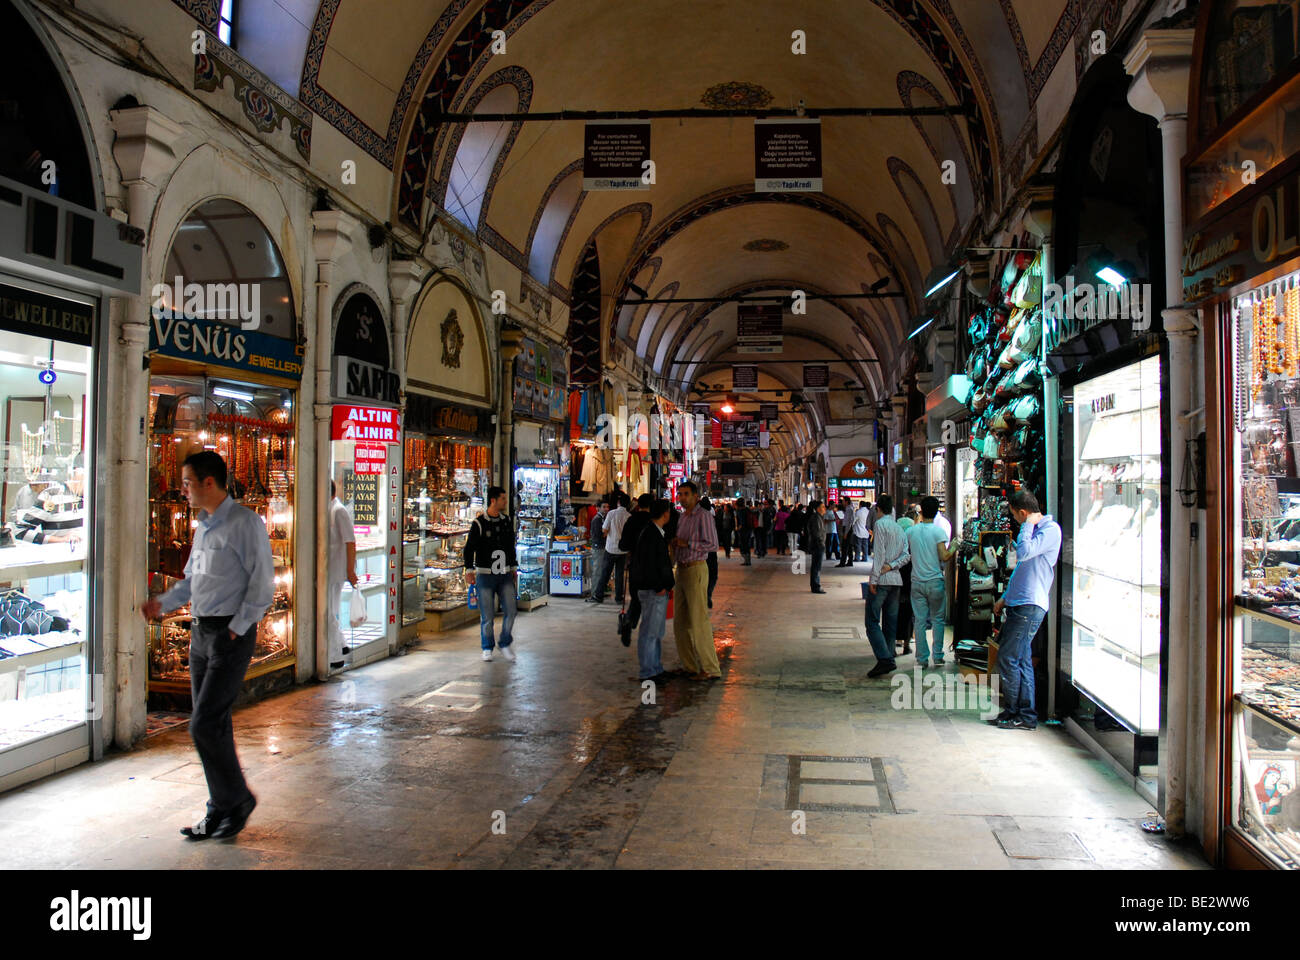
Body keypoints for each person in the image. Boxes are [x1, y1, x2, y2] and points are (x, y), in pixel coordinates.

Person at [140, 451, 272, 841]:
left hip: (228, 635)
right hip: (200, 633)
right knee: (213, 724)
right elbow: (191, 582)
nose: (182, 490)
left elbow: (263, 584)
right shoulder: (203, 527)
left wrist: (237, 627)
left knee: (201, 725)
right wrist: (161, 604)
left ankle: (237, 800)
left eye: (186, 483)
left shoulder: (244, 523)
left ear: (208, 483)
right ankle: (221, 809)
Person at [991, 489, 1062, 730]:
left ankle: (1017, 713)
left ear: (1023, 512)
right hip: (1020, 603)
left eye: (1016, 516)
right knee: (1020, 659)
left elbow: (1024, 552)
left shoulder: (1049, 531)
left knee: (1008, 657)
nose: (1015, 521)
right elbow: (1023, 571)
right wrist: (1005, 598)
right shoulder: (1037, 531)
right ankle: (1024, 714)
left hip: (1030, 606)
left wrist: (1028, 526)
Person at [671, 481, 721, 680]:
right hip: (681, 571)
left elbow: (713, 545)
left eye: (685, 494)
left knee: (699, 621)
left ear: (695, 496)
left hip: (696, 569)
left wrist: (687, 543)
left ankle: (711, 668)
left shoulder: (704, 516)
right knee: (680, 622)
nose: (682, 498)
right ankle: (689, 666)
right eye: (680, 494)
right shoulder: (683, 517)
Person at [464, 485, 518, 662]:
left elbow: (511, 546)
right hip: (485, 575)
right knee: (487, 615)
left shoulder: (506, 521)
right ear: (493, 500)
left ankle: (504, 642)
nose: (505, 501)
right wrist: (469, 570)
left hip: (504, 575)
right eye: (503, 499)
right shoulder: (479, 524)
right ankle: (487, 647)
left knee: (511, 610)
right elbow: (469, 548)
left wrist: (513, 567)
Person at [906, 496, 960, 668]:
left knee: (920, 621)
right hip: (935, 580)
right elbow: (944, 556)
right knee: (937, 619)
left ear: (921, 511)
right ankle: (937, 656)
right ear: (937, 512)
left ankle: (921, 659)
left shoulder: (911, 532)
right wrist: (954, 546)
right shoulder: (938, 532)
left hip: (917, 581)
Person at [630, 498, 676, 683]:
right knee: (650, 632)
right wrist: (659, 587)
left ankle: (656, 668)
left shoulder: (654, 532)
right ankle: (648, 671)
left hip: (654, 589)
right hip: (652, 590)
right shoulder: (651, 535)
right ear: (665, 514)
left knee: (655, 632)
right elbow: (650, 564)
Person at [864, 494, 910, 678]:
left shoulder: (880, 525)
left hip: (882, 581)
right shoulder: (899, 528)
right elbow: (906, 555)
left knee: (872, 621)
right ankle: (889, 653)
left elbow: (879, 554)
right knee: (890, 622)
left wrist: (874, 579)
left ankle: (885, 659)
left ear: (878, 509)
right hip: (896, 581)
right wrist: (892, 566)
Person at [326, 480, 358, 670]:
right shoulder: (330, 510)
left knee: (328, 611)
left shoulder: (338, 511)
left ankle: (335, 656)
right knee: (329, 610)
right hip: (330, 569)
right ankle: (342, 645)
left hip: (335, 570)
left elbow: (350, 541)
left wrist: (350, 571)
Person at [617, 494, 654, 645]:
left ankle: (629, 622)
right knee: (651, 602)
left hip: (635, 566)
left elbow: (623, 545)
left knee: (636, 597)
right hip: (652, 567)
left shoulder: (632, 520)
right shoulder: (654, 521)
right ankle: (647, 634)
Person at [588, 492, 629, 604]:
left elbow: (604, 530)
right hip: (623, 550)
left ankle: (599, 595)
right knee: (620, 574)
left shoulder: (611, 514)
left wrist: (609, 533)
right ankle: (619, 598)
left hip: (610, 548)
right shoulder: (628, 516)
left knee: (605, 573)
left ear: (618, 502)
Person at [588, 500, 610, 597]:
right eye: (604, 507)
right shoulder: (597, 519)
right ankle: (594, 593)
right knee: (597, 571)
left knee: (601, 571)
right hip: (598, 548)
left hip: (601, 547)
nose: (606, 509)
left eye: (607, 507)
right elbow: (598, 535)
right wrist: (606, 533)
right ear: (598, 508)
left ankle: (599, 591)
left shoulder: (603, 518)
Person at [804, 500, 827, 594]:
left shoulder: (819, 517)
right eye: (822, 507)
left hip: (818, 544)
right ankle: (815, 586)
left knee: (816, 566)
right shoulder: (816, 518)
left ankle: (815, 585)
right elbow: (817, 533)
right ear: (818, 509)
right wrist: (821, 543)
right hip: (817, 545)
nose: (824, 508)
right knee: (816, 566)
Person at [701, 497, 719, 608]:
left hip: (700, 553)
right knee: (712, 575)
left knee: (704, 576)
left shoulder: (693, 518)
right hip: (710, 552)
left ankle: (704, 595)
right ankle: (707, 594)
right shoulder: (711, 518)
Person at [836, 500, 855, 567]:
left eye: (844, 501)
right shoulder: (848, 509)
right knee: (849, 546)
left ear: (847, 502)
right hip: (848, 529)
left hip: (848, 529)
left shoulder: (849, 509)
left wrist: (846, 533)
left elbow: (849, 522)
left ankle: (843, 562)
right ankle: (850, 561)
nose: (843, 503)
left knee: (845, 546)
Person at [735, 499, 753, 565]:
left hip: (743, 530)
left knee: (743, 544)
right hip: (749, 529)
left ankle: (746, 560)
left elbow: (742, 521)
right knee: (747, 544)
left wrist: (738, 528)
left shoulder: (740, 511)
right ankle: (748, 560)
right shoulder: (747, 509)